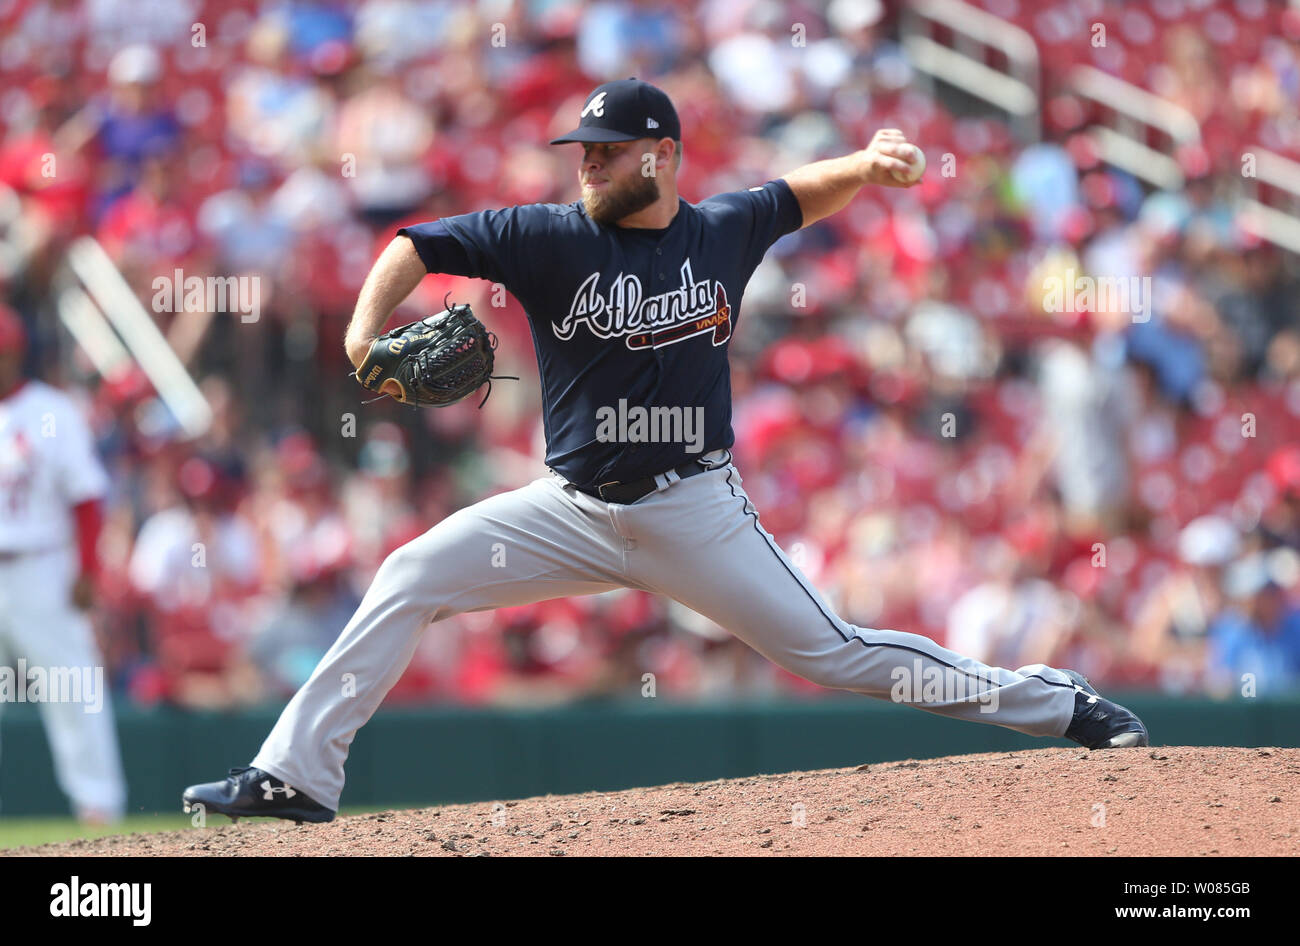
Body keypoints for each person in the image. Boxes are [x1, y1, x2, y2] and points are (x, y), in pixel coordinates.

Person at [184, 79, 1148, 824]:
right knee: (409, 573)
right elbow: (416, 245)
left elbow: (794, 194)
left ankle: (1058, 707)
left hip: (695, 510)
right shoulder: (544, 236)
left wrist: (863, 162)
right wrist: (361, 336)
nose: (588, 167)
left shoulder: (721, 231)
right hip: (569, 510)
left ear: (664, 156)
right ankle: (294, 779)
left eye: (607, 153)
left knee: (841, 655)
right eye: (582, 153)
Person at [0, 302, 127, 825]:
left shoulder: (50, 410)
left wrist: (88, 572)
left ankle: (99, 807)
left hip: (41, 565)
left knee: (72, 685)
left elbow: (88, 499)